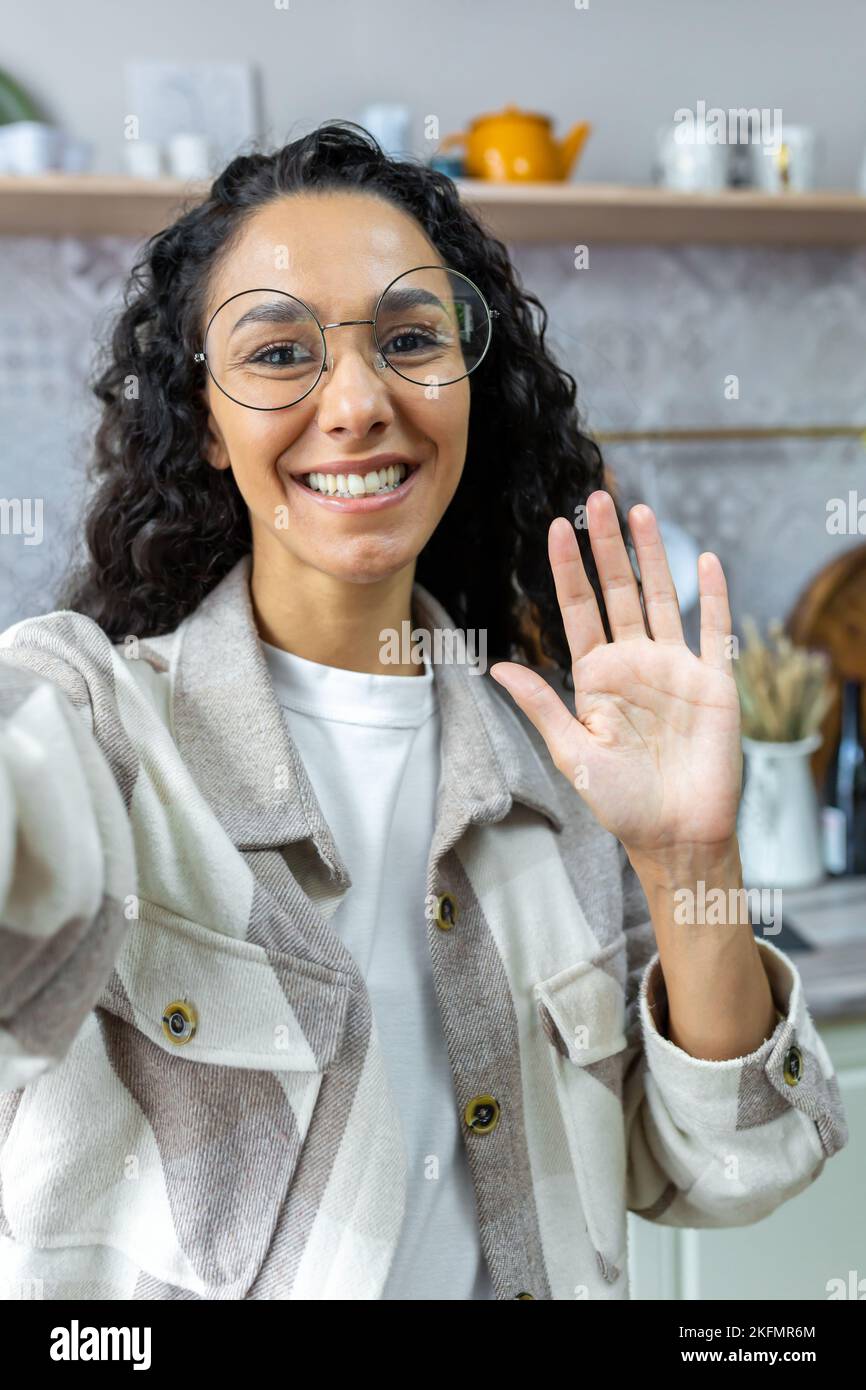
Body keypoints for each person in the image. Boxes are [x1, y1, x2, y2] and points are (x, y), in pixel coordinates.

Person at [0, 121, 847, 1301]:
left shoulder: (559, 764)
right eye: (280, 353)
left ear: (466, 383)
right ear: (204, 417)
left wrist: (685, 853)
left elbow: (733, 1164)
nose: (355, 402)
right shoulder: (91, 719)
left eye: (407, 340)